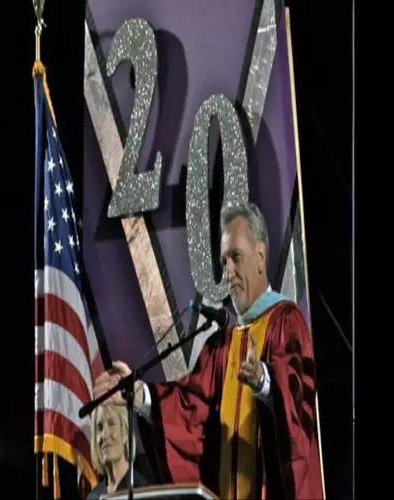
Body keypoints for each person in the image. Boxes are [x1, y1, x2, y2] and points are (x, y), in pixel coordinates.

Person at [93, 202, 324, 499]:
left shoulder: (286, 321)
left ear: (261, 257)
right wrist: (139, 394)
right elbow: (190, 408)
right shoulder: (221, 347)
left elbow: (298, 390)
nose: (227, 272)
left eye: (235, 258)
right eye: (224, 261)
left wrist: (264, 379)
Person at [87, 404, 149, 499]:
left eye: (111, 424)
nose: (104, 435)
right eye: (100, 427)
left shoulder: (142, 490)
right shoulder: (94, 496)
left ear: (125, 433)